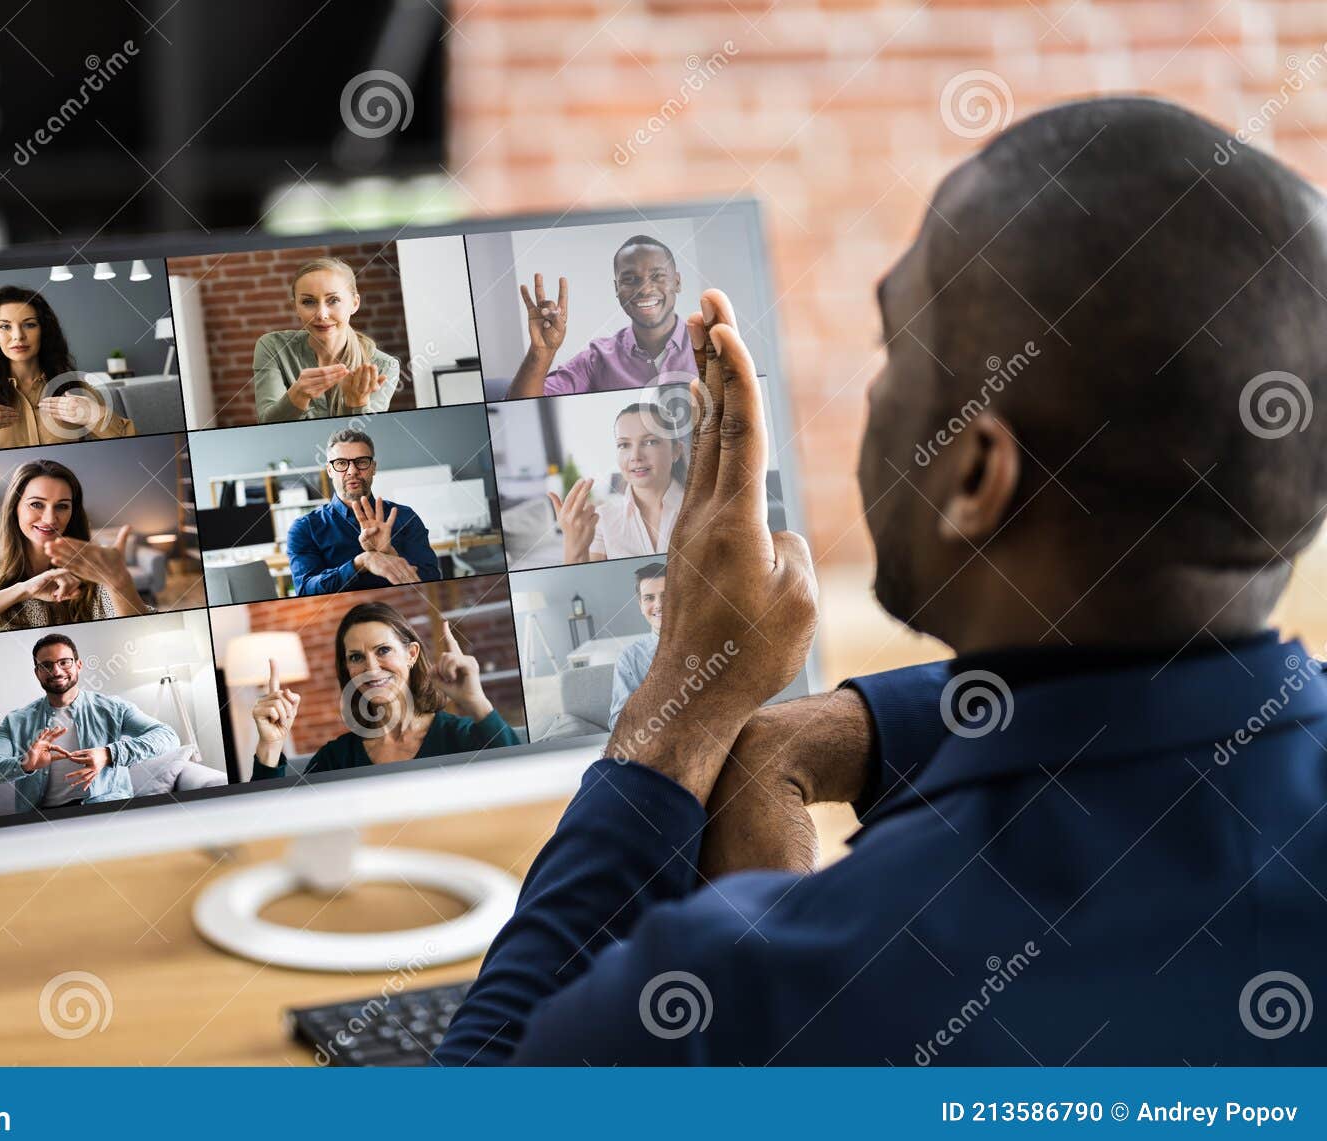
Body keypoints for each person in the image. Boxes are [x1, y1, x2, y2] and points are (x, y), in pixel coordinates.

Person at [438, 98, 1327, 1066]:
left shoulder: (753, 989)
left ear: (974, 475)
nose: (873, 389)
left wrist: (688, 699)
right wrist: (852, 730)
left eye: (894, 348)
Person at [250, 602, 520, 779]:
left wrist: (476, 702)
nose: (371, 667)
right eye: (356, 657)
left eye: (383, 650)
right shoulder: (336, 758)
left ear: (411, 654)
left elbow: (521, 778)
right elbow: (275, 821)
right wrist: (271, 745)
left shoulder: (462, 737)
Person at [0, 459, 148, 638]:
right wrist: (23, 589)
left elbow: (139, 634)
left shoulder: (89, 570)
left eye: (62, 506)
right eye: (36, 504)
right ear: (15, 509)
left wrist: (120, 583)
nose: (49, 518)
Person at [0, 633, 179, 811]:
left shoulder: (113, 708)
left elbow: (168, 736)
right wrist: (25, 763)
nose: (56, 671)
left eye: (64, 662)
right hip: (43, 820)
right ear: (37, 673)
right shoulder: (16, 721)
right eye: (46, 665)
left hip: (106, 812)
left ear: (78, 665)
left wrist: (108, 754)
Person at [0, 286, 134, 455]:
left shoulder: (75, 386)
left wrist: (94, 415)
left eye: (29, 324)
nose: (18, 336)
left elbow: (132, 449)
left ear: (44, 330)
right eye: (5, 327)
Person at [506, 235, 696, 398]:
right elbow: (521, 407)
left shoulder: (712, 345)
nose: (645, 289)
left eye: (657, 276)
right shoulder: (596, 360)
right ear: (617, 289)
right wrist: (541, 352)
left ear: (677, 282)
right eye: (630, 280)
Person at [286, 428, 442, 595]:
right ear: (330, 470)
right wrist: (361, 563)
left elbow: (432, 580)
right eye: (341, 463)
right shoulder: (305, 528)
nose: (352, 471)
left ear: (373, 467)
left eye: (361, 462)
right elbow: (305, 591)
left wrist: (390, 554)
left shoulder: (405, 516)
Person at [251, 257, 400, 423]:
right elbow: (267, 426)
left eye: (334, 300)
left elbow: (364, 440)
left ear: (354, 303)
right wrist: (299, 394)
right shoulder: (272, 347)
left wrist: (357, 405)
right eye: (308, 302)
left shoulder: (385, 365)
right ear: (295, 308)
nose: (321, 314)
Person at [548, 401, 686, 564]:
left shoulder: (708, 508)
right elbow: (588, 585)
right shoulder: (602, 520)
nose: (635, 456)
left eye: (650, 442)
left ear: (676, 450)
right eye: (624, 445)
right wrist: (573, 545)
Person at [608, 562, 664, 730]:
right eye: (649, 598)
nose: (659, 604)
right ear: (641, 605)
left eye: (666, 595)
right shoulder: (629, 659)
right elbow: (617, 723)